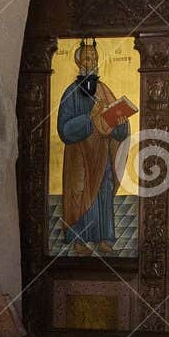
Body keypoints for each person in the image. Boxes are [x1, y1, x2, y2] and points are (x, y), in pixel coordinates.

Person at [56, 40, 131, 254]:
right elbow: (64, 130)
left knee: (104, 192)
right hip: (79, 157)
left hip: (102, 156)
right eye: (88, 58)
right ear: (79, 62)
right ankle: (79, 240)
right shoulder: (70, 93)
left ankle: (104, 239)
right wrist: (89, 118)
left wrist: (120, 123)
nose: (92, 62)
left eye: (95, 59)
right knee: (79, 193)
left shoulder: (104, 91)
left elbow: (120, 132)